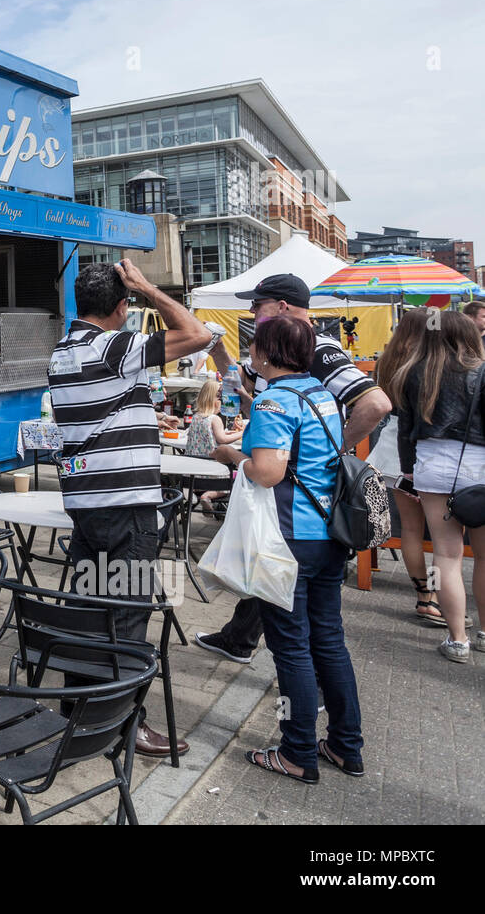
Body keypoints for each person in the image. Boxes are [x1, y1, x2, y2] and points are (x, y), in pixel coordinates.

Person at [46, 259, 219, 758]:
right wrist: (149, 288)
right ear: (122, 308)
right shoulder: (115, 346)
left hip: (87, 504)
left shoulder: (63, 352)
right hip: (127, 505)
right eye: (129, 302)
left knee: (89, 610)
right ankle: (123, 727)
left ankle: (79, 714)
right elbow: (199, 334)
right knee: (126, 617)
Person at [196, 273, 391, 663]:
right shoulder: (280, 353)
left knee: (299, 636)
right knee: (309, 619)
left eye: (257, 304)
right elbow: (254, 398)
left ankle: (304, 695)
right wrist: (219, 352)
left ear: (282, 307)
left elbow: (376, 404)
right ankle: (241, 640)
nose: (251, 311)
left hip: (298, 509)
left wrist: (331, 451)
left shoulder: (317, 348)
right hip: (293, 506)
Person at [219, 316, 364, 784]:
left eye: (255, 348)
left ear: (266, 353)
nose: (251, 356)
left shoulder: (275, 401)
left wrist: (230, 456)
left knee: (291, 649)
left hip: (289, 541)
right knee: (329, 641)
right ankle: (345, 745)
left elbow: (268, 471)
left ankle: (297, 749)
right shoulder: (323, 394)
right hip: (330, 537)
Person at [391, 310, 485, 662]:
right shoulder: (482, 371)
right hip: (479, 466)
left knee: (445, 555)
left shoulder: (413, 372)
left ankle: (457, 639)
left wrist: (407, 469)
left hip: (431, 465)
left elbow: (404, 430)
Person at [373, 308, 445, 625]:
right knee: (444, 538)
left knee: (412, 532)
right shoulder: (434, 365)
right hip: (430, 453)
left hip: (393, 452)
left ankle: (424, 597)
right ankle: (440, 597)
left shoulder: (387, 362)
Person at [185, 377, 244, 513]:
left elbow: (214, 435)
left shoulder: (196, 417)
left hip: (194, 475)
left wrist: (231, 433)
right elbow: (222, 439)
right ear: (216, 400)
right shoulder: (215, 419)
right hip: (213, 475)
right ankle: (208, 496)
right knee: (232, 483)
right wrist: (242, 433)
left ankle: (194, 493)